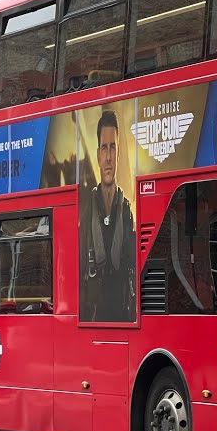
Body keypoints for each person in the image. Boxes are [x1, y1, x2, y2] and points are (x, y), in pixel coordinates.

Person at [80, 110, 136, 322]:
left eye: (113, 147)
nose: (109, 156)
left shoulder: (128, 212)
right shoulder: (86, 213)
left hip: (123, 318)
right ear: (98, 155)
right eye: (104, 148)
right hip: (93, 320)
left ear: (118, 152)